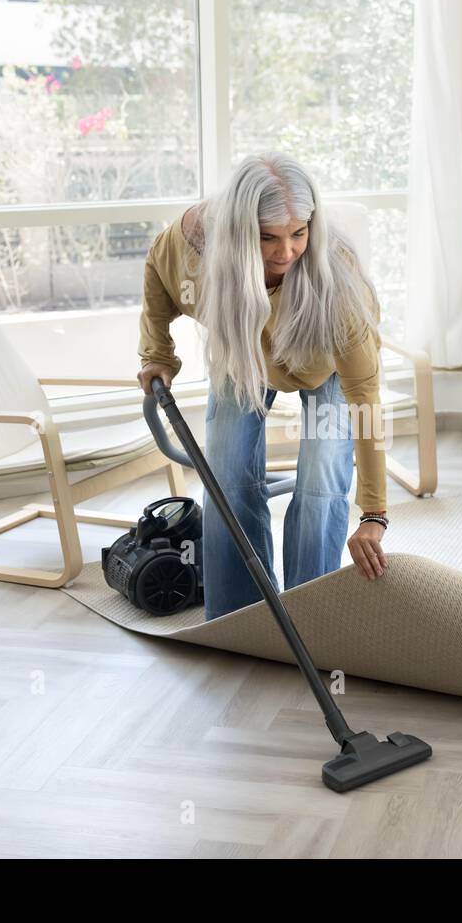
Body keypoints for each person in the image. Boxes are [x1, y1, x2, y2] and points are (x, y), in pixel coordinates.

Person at [136, 152, 389, 620]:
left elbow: (366, 402)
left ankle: (308, 611)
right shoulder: (195, 247)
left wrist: (374, 515)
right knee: (228, 479)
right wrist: (157, 354)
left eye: (299, 232)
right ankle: (241, 617)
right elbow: (157, 273)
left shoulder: (338, 282)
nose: (286, 252)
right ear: (236, 231)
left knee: (321, 483)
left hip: (324, 364)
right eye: (267, 237)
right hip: (245, 352)